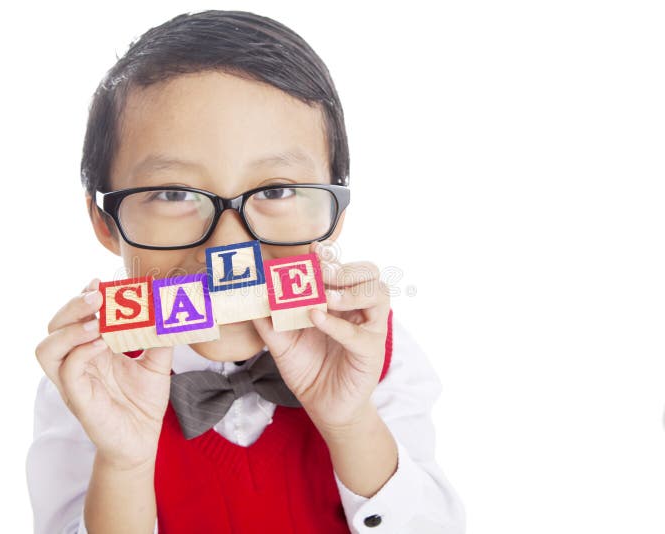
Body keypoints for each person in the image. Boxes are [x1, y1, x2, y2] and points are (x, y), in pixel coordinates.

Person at [27, 10, 465, 534]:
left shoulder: (368, 348)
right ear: (104, 221)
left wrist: (350, 424)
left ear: (335, 216)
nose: (227, 248)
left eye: (276, 191)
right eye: (174, 194)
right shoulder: (89, 379)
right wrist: (123, 463)